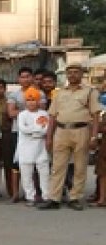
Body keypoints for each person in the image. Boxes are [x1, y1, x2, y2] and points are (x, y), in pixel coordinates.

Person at [38, 63, 101, 211]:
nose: (72, 75)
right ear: (66, 75)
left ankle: (75, 197)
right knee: (57, 166)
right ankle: (54, 198)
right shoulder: (59, 93)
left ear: (81, 74)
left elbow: (96, 115)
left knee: (80, 166)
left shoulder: (90, 92)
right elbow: (52, 116)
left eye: (76, 72)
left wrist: (94, 137)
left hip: (82, 130)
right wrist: (49, 137)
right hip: (61, 131)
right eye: (70, 72)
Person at [7, 67, 46, 203]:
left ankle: (37, 193)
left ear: (32, 77)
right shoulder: (13, 95)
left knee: (37, 163)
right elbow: (11, 113)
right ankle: (16, 193)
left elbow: (41, 111)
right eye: (22, 77)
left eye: (28, 76)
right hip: (17, 132)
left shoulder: (40, 93)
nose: (25, 79)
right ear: (18, 79)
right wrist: (27, 112)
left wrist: (23, 111)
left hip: (37, 134)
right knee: (17, 164)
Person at [16, 87, 50, 206]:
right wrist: (37, 131)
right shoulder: (22, 115)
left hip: (41, 148)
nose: (31, 102)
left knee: (44, 173)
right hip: (25, 149)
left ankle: (46, 196)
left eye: (34, 100)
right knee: (26, 174)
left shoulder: (44, 114)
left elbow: (46, 130)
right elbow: (23, 129)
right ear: (25, 102)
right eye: (29, 100)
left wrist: (34, 132)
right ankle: (30, 197)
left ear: (38, 101)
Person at [0, 79, 13, 199]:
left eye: (1, 87)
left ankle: (11, 191)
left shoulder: (9, 102)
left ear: (5, 89)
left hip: (6, 134)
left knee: (8, 163)